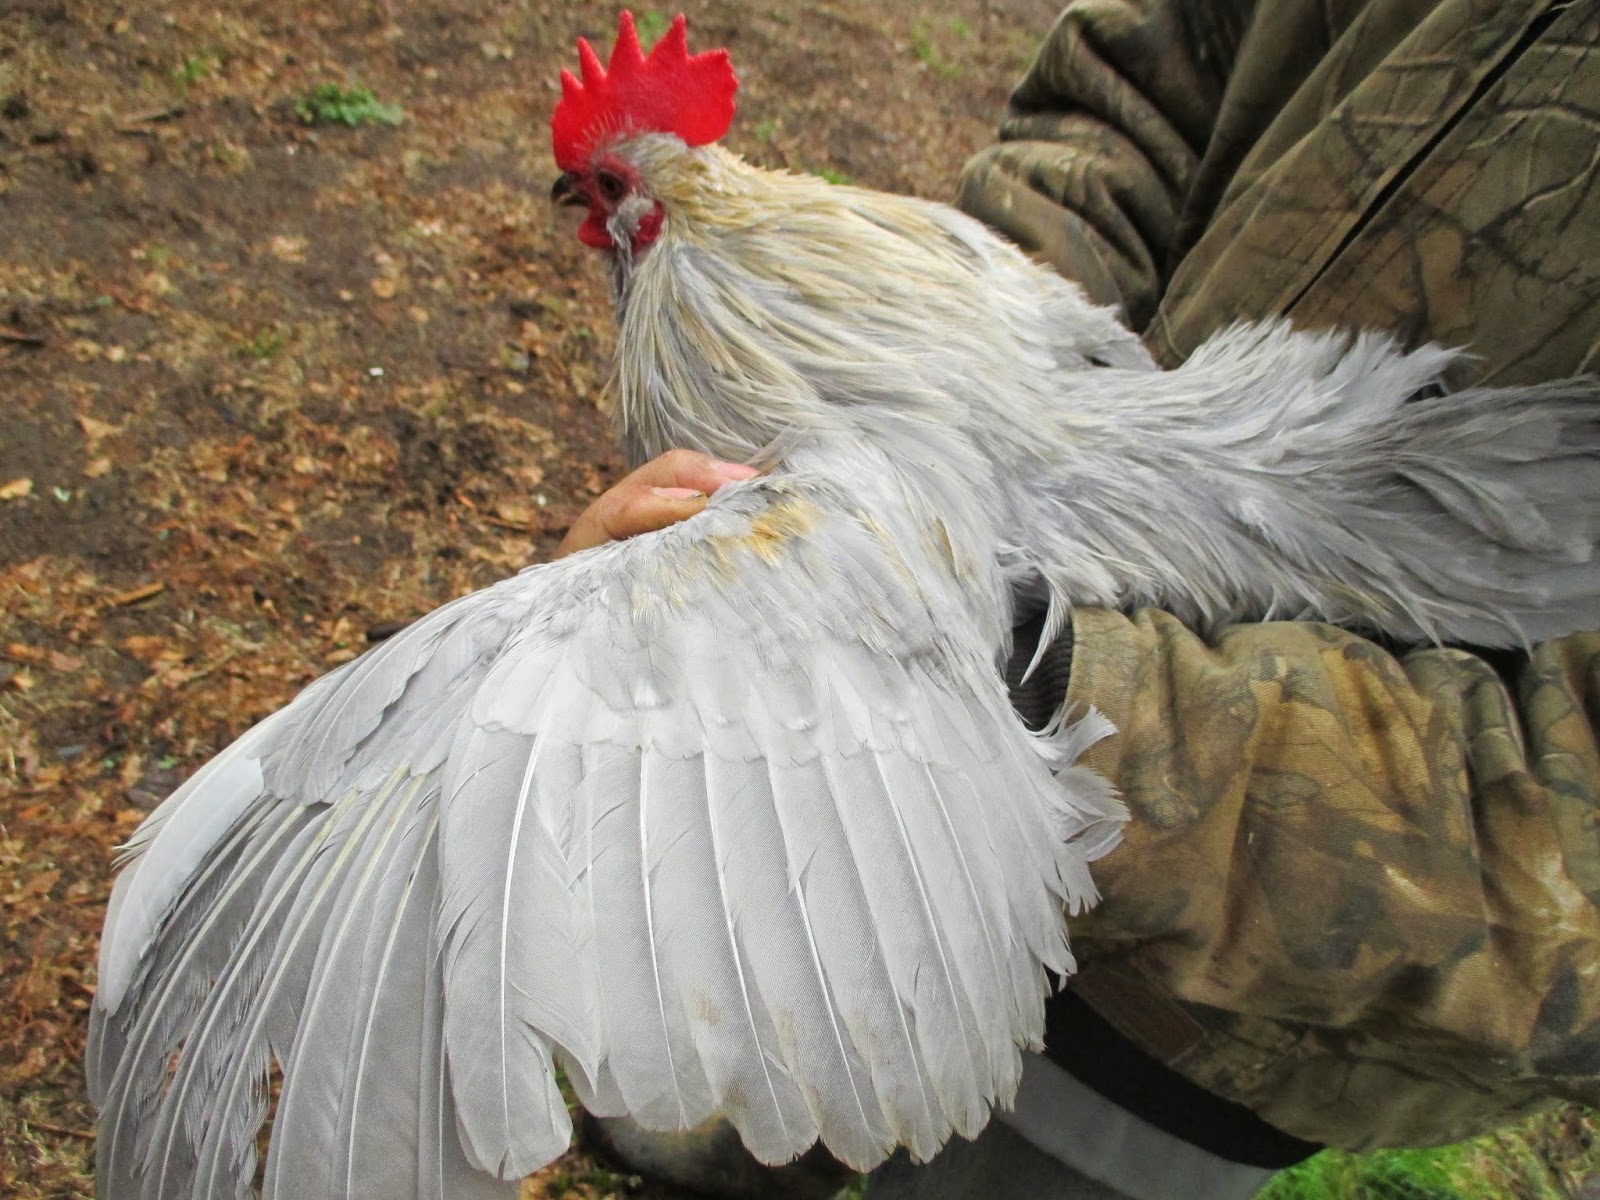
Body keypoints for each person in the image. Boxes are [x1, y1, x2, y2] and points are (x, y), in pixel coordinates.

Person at [563, 1, 1600, 1196]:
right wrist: (968, 337)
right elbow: (1140, 82)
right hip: (898, 804)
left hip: (1224, 1010)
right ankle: (725, 1126)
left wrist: (1033, 676)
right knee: (771, 1031)